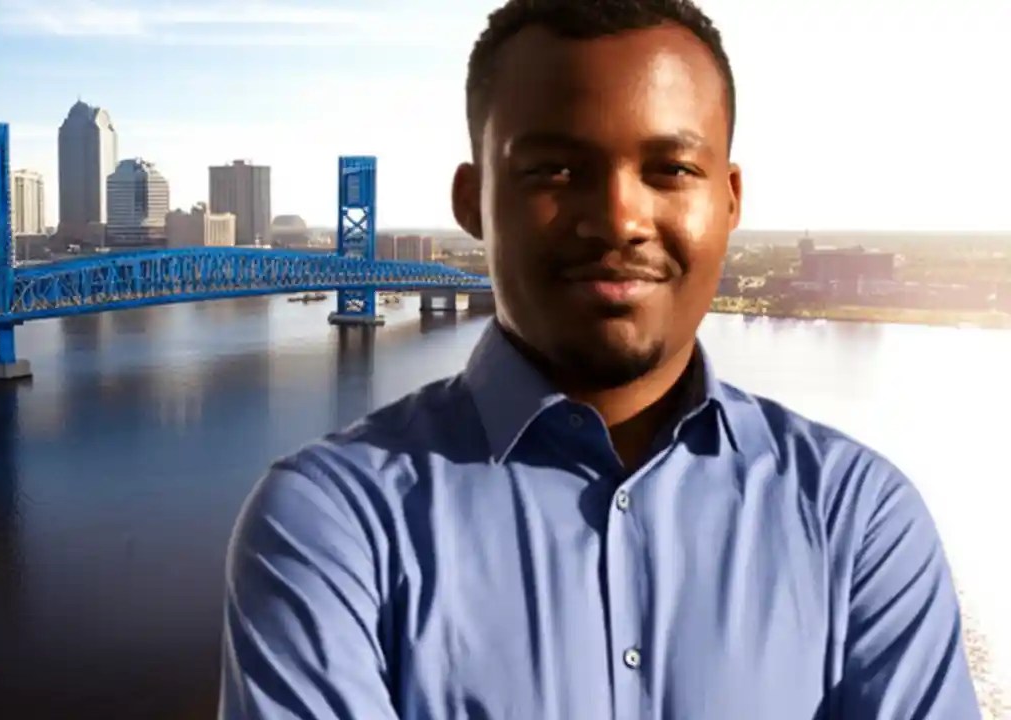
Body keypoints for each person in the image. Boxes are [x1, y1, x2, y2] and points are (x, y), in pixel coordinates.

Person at [218, 0, 982, 717]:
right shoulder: (331, 525)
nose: (619, 218)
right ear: (470, 201)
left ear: (730, 198)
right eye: (555, 170)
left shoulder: (858, 519)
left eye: (672, 170)